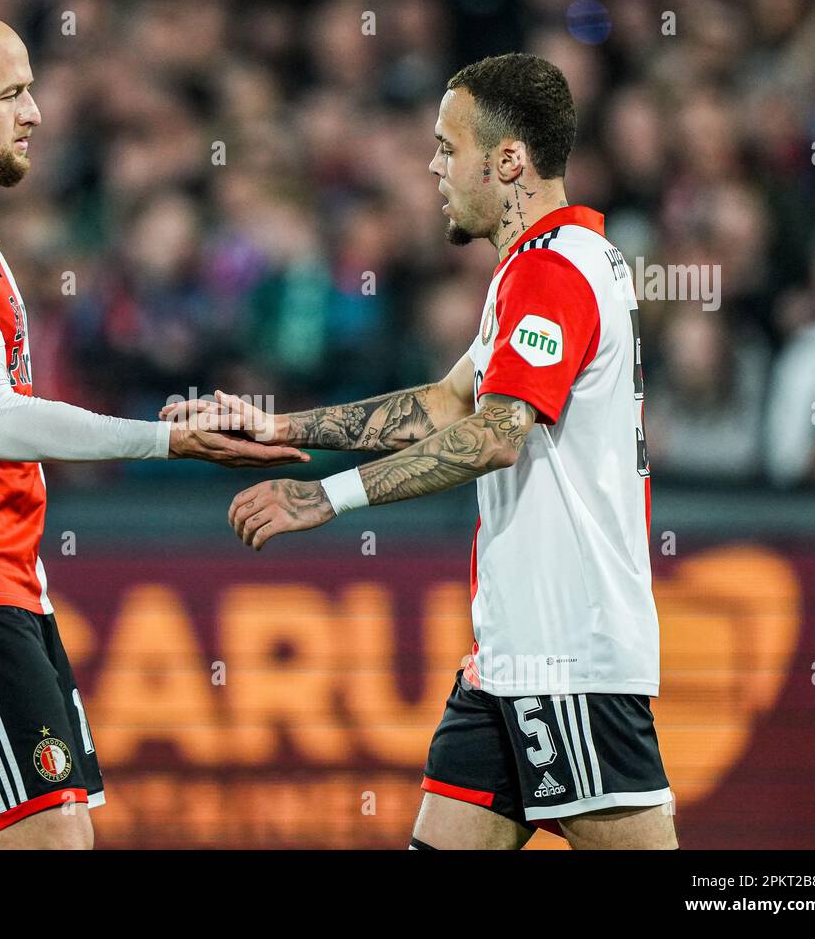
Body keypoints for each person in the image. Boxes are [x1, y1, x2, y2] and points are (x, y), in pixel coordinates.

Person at [165, 53, 677, 849]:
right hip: (507, 660)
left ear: (508, 160)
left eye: (448, 146)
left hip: (567, 660)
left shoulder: (552, 274)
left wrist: (325, 497)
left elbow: (496, 435)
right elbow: (443, 404)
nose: (433, 166)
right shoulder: (542, 268)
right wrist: (280, 429)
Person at [0, 11, 307, 851]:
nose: (36, 113)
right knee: (48, 839)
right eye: (12, 93)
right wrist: (168, 442)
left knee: (65, 834)